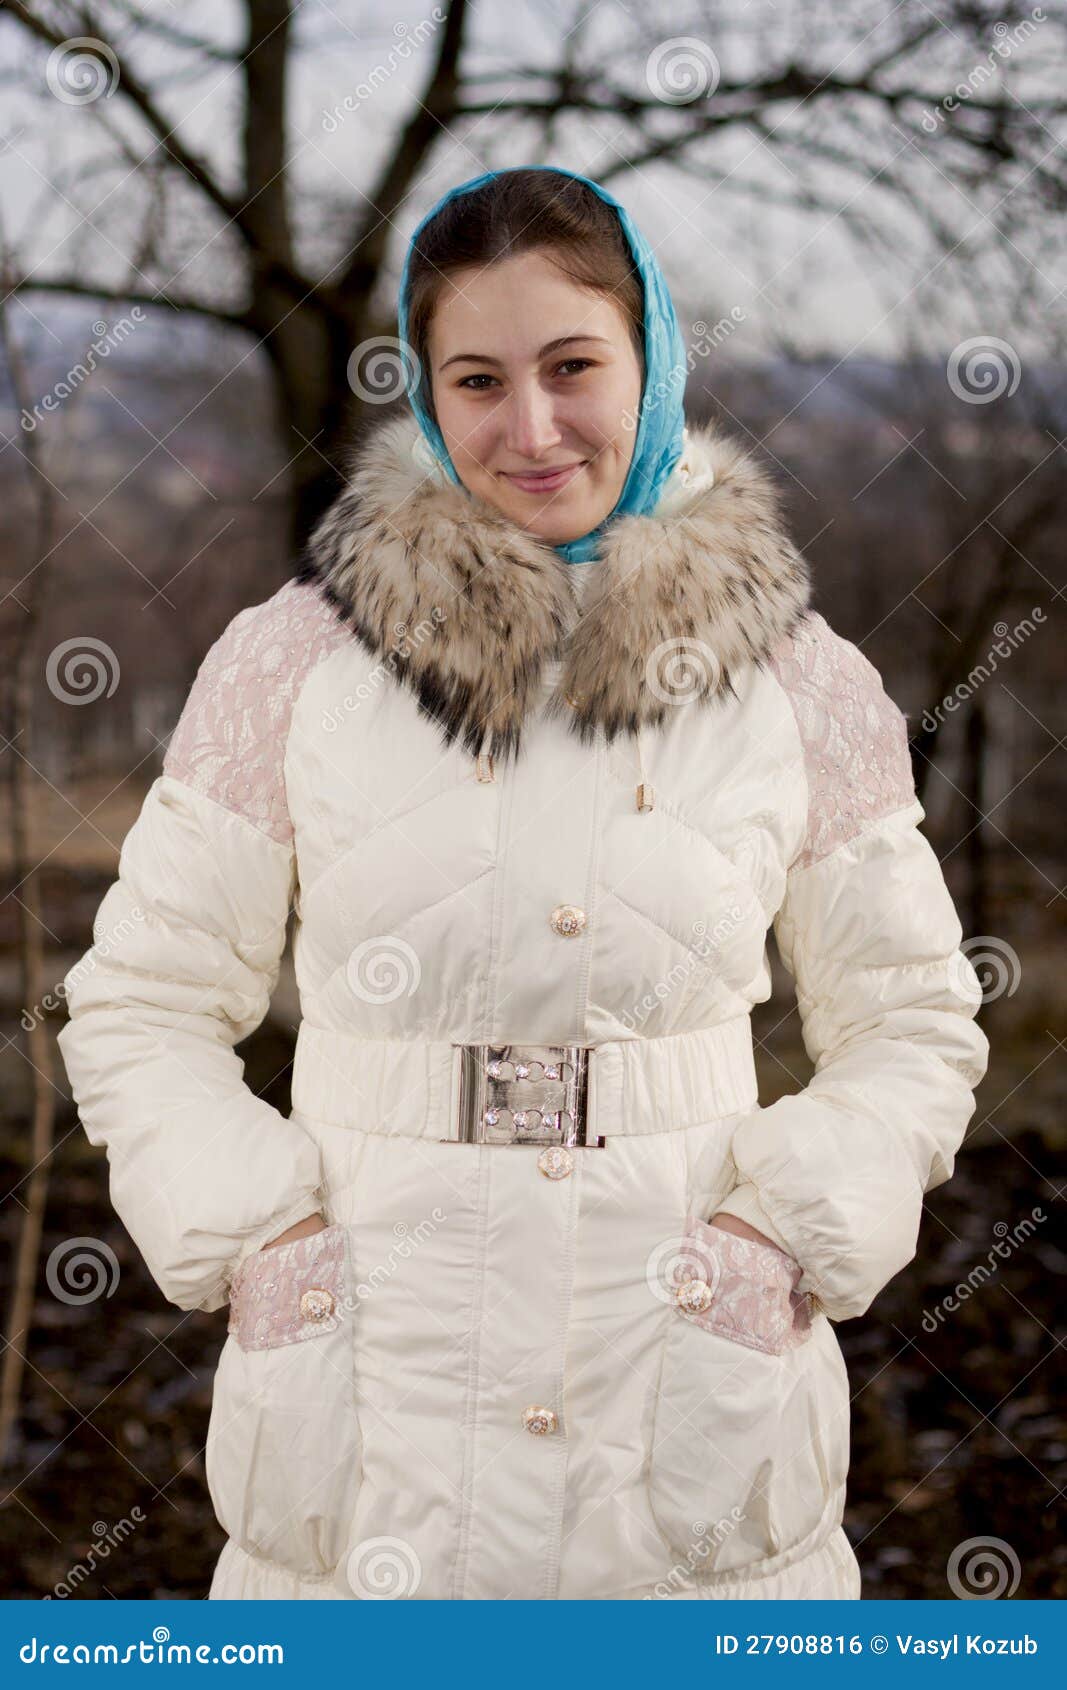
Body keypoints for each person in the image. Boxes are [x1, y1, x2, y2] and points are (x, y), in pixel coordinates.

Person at [57, 165, 989, 1602]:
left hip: (693, 1444)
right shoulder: (293, 663)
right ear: (426, 396)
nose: (532, 427)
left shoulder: (799, 680)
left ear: (652, 358)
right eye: (478, 378)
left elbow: (917, 1020)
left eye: (573, 367)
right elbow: (140, 1004)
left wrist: (783, 1227)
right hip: (370, 1447)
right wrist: (259, 1231)